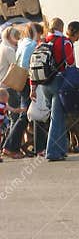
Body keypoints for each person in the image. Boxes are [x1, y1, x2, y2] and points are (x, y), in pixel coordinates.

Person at [30, 18, 74, 161]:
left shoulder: (42, 42)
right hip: (58, 83)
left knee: (58, 117)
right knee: (57, 118)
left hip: (44, 85)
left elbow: (35, 65)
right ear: (61, 28)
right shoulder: (65, 42)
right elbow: (71, 63)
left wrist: (33, 88)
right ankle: (52, 152)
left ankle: (61, 149)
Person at [2, 22, 45, 159]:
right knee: (29, 114)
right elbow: (26, 63)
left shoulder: (21, 43)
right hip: (27, 82)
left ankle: (13, 147)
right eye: (40, 34)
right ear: (36, 33)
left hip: (22, 83)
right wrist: (32, 79)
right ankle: (10, 146)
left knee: (28, 115)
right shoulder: (31, 44)